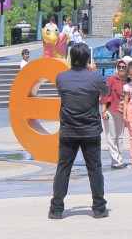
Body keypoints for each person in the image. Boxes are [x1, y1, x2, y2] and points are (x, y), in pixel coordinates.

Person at [49, 43, 109, 220]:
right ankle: (98, 207)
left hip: (68, 130)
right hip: (90, 130)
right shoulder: (95, 78)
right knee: (94, 169)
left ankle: (56, 208)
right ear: (87, 59)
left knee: (63, 169)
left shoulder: (61, 78)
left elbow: (62, 94)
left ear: (71, 58)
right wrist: (94, 72)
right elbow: (105, 91)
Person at [101, 60, 128, 169]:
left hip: (122, 112)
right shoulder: (111, 79)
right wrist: (103, 110)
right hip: (111, 111)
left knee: (120, 136)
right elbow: (105, 95)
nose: (121, 69)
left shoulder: (128, 81)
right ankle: (115, 161)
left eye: (123, 67)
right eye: (119, 67)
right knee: (111, 136)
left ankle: (119, 159)